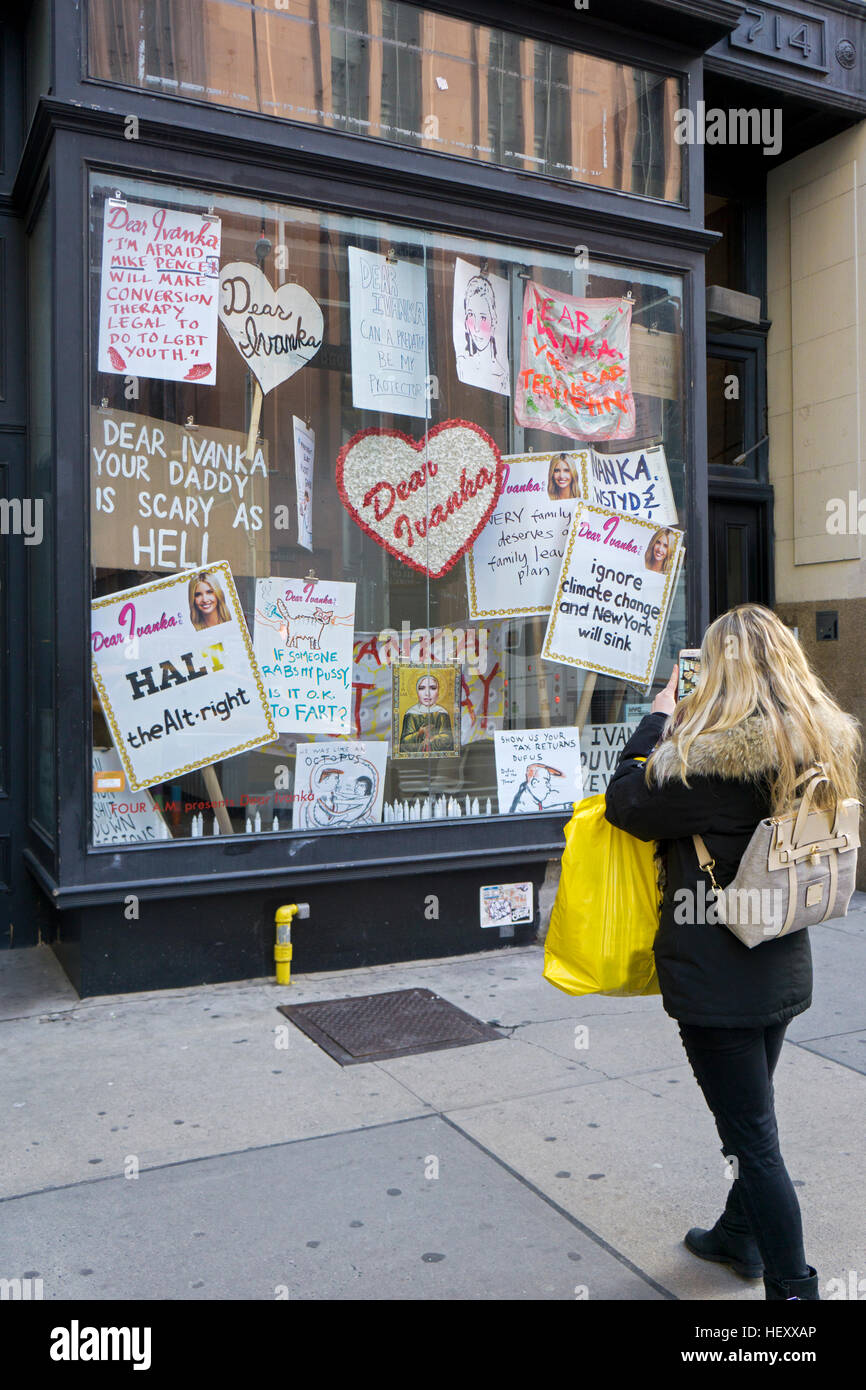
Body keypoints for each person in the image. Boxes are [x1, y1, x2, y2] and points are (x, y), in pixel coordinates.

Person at [604, 604, 861, 1301]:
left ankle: (794, 1292)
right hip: (780, 965)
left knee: (754, 1141)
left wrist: (658, 719)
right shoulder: (819, 750)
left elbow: (623, 803)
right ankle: (737, 1237)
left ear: (718, 675)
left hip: (718, 984)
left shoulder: (701, 767)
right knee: (754, 1118)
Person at [456, 274, 509, 394]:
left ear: (494, 321)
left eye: (483, 317)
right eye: (471, 315)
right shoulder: (462, 365)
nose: (476, 327)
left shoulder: (504, 378)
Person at [399, 674, 455, 755]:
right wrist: (420, 732)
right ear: (417, 692)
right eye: (421, 688)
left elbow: (448, 739)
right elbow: (404, 743)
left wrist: (432, 739)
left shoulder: (442, 713)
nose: (427, 693)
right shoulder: (411, 713)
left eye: (433, 688)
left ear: (438, 692)